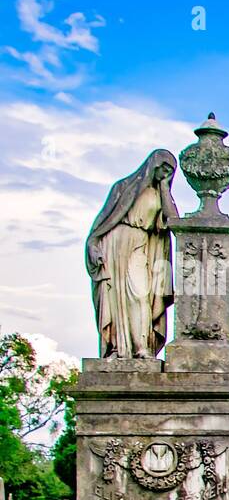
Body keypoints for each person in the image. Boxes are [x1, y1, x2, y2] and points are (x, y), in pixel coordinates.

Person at [85, 150, 180, 358]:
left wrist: (165, 188)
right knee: (114, 298)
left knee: (139, 295)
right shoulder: (124, 187)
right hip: (113, 244)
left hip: (140, 245)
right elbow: (103, 220)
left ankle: (142, 347)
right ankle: (118, 348)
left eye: (170, 171)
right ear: (153, 164)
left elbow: (173, 221)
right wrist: (93, 243)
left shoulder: (159, 195)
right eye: (163, 168)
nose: (165, 173)